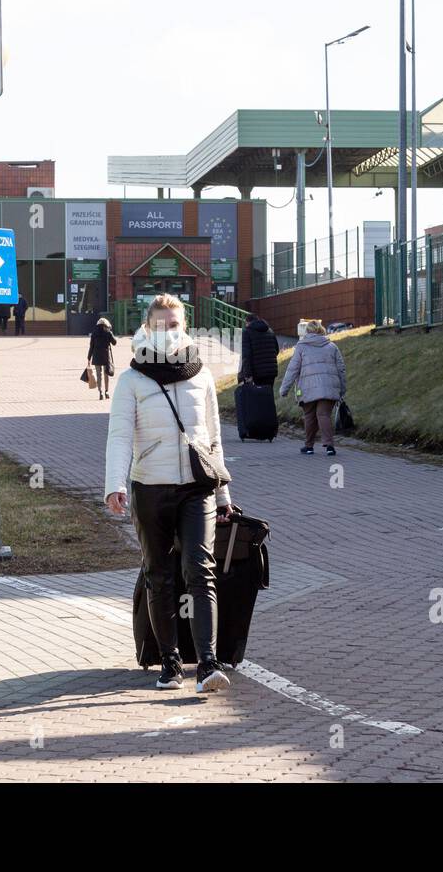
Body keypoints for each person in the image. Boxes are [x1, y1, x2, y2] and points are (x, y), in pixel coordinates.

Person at [104, 294, 235, 694]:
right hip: (150, 487)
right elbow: (120, 435)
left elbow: (213, 438)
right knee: (159, 576)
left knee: (200, 570)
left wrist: (225, 494)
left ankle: (209, 664)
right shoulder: (131, 379)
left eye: (175, 323)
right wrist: (115, 484)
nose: (169, 330)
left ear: (185, 326)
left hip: (197, 489)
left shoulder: (202, 374)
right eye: (161, 324)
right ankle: (170, 663)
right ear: (147, 327)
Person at [278, 318, 346, 457]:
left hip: (307, 388)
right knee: (324, 415)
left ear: (307, 331)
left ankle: (309, 446)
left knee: (309, 416)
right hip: (328, 388)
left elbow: (292, 369)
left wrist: (284, 389)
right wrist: (341, 389)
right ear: (321, 330)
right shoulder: (332, 346)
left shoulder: (301, 347)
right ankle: (329, 446)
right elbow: (341, 370)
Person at [237, 312, 279, 386]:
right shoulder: (270, 331)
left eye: (246, 323)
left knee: (257, 396)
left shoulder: (247, 332)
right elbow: (276, 350)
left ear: (248, 322)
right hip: (271, 372)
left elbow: (246, 355)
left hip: (257, 373)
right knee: (268, 395)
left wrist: (247, 375)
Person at [87, 317, 117, 400]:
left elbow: (91, 347)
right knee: (106, 374)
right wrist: (111, 333)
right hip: (106, 356)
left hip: (96, 356)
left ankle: (100, 392)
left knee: (98, 375)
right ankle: (106, 391)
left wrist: (89, 358)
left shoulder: (94, 333)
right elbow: (114, 343)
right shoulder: (108, 333)